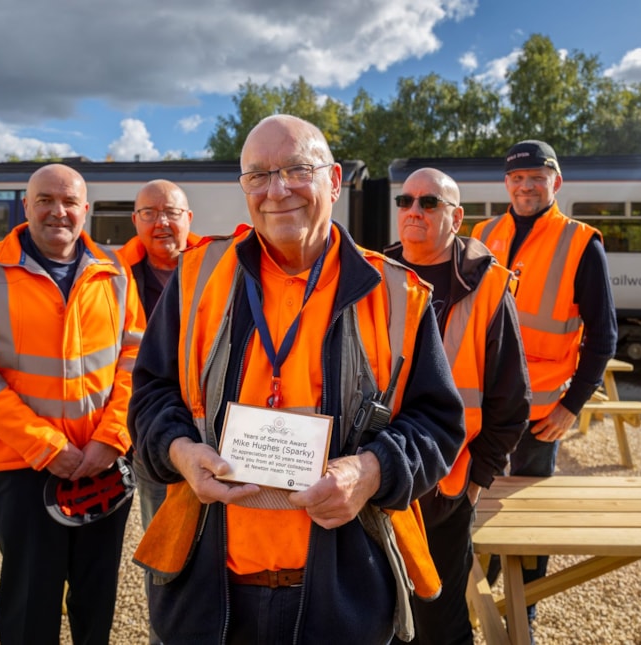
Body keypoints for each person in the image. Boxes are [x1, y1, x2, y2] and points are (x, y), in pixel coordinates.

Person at [128, 114, 466, 645]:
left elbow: (438, 425)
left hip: (344, 599)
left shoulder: (397, 294)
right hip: (210, 593)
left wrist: (369, 472)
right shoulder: (197, 277)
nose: (276, 190)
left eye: (296, 170)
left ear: (334, 181)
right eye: (258, 176)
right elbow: (150, 395)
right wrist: (180, 453)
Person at [0, 163, 144, 645]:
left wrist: (112, 438)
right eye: (45, 201)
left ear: (85, 209)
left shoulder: (115, 271)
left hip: (103, 465)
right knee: (30, 603)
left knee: (96, 598)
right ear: (26, 207)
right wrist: (46, 447)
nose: (59, 211)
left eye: (69, 201)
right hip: (24, 468)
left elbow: (136, 362)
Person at [471, 141, 617, 638]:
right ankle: (481, 591)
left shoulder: (581, 242)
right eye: (517, 178)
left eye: (537, 177)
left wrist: (572, 406)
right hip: (483, 407)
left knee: (528, 518)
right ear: (506, 184)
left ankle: (525, 610)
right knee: (476, 502)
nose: (526, 186)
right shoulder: (482, 234)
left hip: (541, 412)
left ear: (556, 182)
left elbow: (604, 335)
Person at [384, 167, 531, 644]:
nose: (414, 211)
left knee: (440, 623)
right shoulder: (374, 274)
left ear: (457, 217)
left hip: (445, 488)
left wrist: (474, 483)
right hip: (377, 481)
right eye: (406, 201)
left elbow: (512, 401)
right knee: (381, 613)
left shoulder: (488, 287)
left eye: (429, 203)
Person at [118, 179, 201, 645]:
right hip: (153, 440)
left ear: (189, 219)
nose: (161, 222)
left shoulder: (218, 267)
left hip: (214, 436)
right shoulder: (114, 277)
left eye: (171, 212)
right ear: (135, 221)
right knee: (163, 550)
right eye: (149, 213)